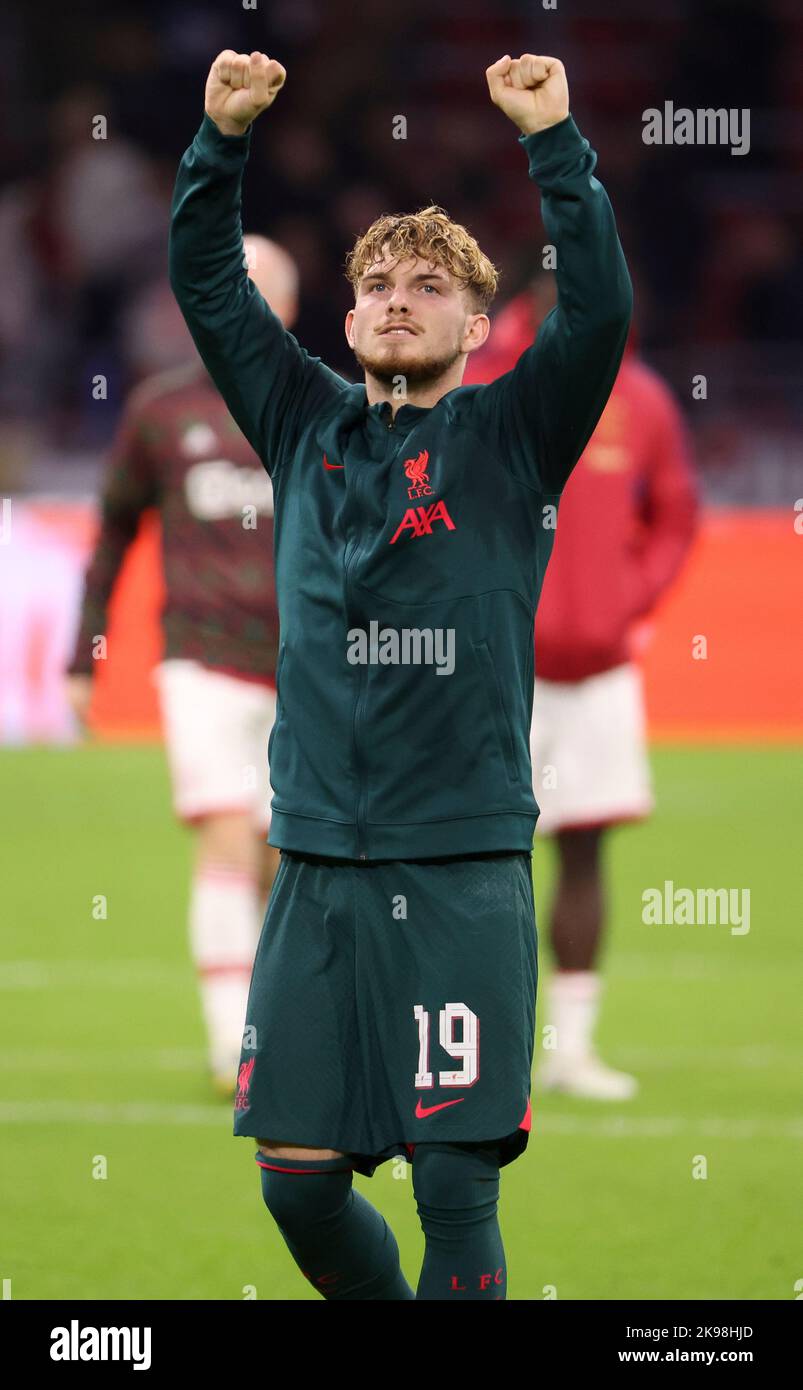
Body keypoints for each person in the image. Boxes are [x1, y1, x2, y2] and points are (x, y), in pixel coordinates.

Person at [169, 48, 632, 1301]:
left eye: (427, 288)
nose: (392, 300)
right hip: (315, 859)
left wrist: (552, 140)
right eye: (374, 283)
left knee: (450, 1183)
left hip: (460, 863)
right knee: (297, 1181)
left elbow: (597, 313)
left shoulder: (511, 436)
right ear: (344, 316)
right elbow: (210, 289)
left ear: (477, 328)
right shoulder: (300, 420)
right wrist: (220, 139)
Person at [64, 234, 299, 1097]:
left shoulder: (317, 410)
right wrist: (83, 655)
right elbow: (113, 534)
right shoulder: (161, 413)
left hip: (306, 672)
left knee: (292, 859)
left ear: (287, 309)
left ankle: (285, 1028)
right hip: (200, 659)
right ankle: (233, 1054)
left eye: (253, 291)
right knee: (227, 839)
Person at [464, 269, 698, 1099]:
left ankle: (571, 1051)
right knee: (487, 861)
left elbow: (674, 514)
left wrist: (630, 599)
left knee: (586, 852)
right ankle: (486, 1052)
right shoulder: (489, 384)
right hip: (496, 670)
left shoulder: (641, 398)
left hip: (598, 671)